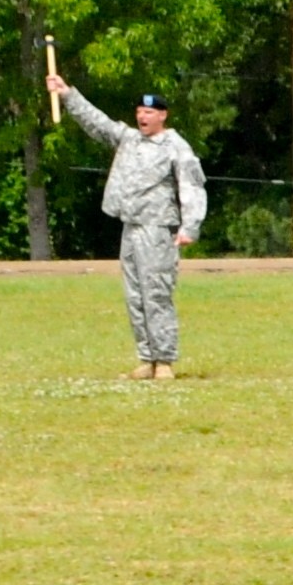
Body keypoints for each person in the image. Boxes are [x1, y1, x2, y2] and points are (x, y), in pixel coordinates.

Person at [48, 74, 209, 379]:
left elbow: (192, 186)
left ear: (162, 115)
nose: (142, 117)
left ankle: (164, 360)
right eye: (139, 112)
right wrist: (67, 93)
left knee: (156, 293)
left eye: (148, 112)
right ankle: (147, 358)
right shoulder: (129, 139)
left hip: (157, 228)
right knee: (135, 296)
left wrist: (190, 226)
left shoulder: (175, 146)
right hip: (131, 226)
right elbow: (98, 123)